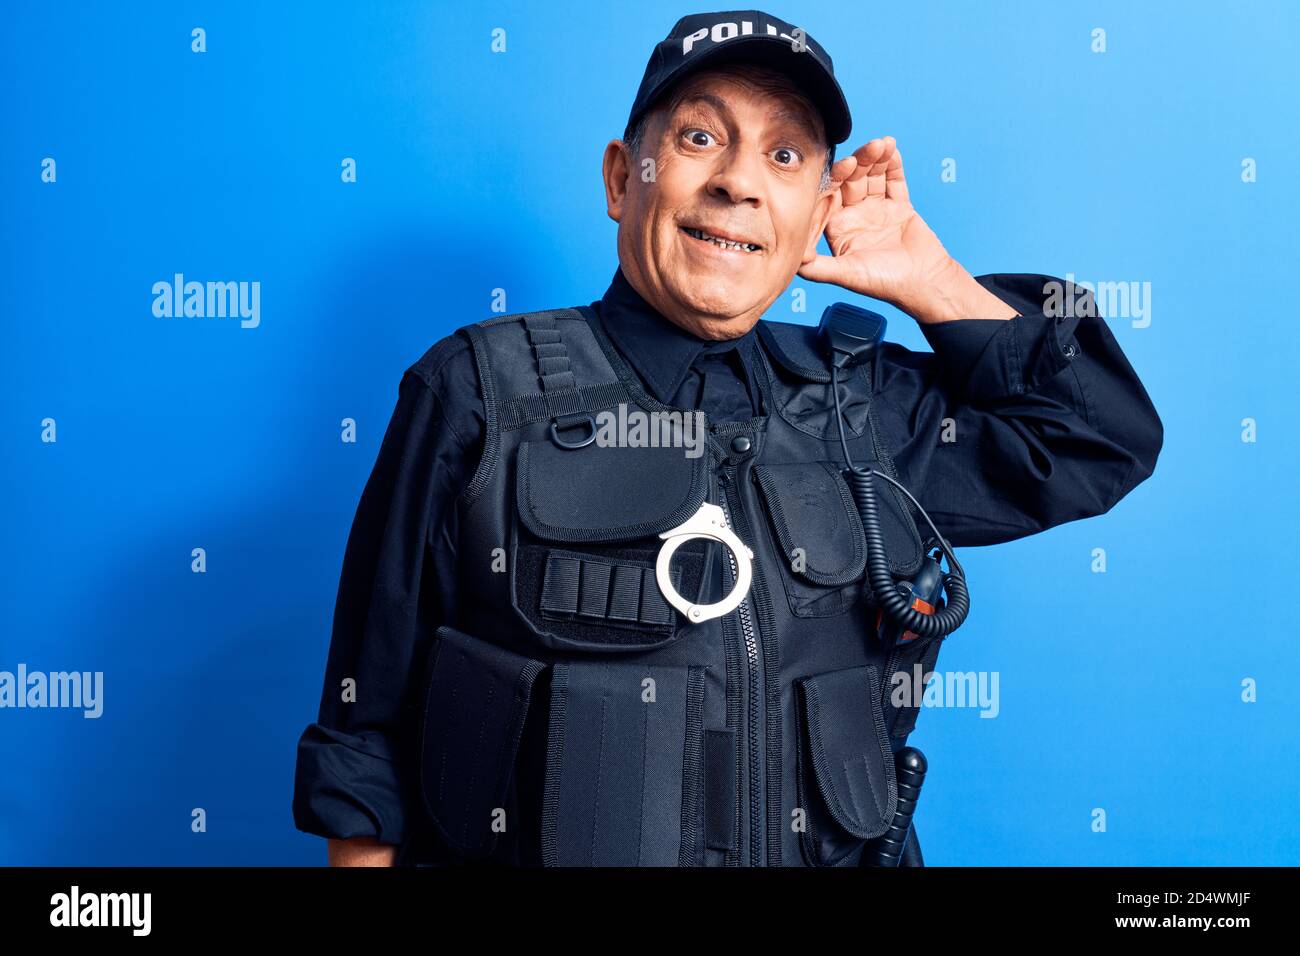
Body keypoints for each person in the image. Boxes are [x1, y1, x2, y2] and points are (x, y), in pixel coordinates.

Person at [293, 9, 1162, 867]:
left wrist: (929, 278)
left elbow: (1099, 438)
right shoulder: (475, 391)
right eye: (701, 139)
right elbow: (366, 737)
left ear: (818, 205)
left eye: (784, 156)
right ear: (620, 177)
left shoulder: (862, 399)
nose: (740, 182)